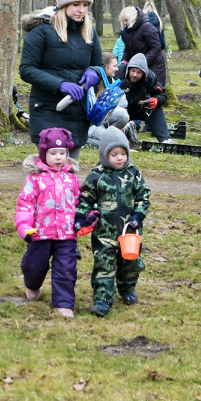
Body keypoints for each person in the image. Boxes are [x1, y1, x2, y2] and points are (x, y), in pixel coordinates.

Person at [19, 0, 103, 157]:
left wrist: (94, 71)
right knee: (50, 172)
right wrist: (60, 85)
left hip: (77, 111)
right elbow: (26, 69)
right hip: (48, 109)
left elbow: (99, 64)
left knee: (71, 172)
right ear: (63, 4)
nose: (81, 10)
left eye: (85, 5)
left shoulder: (89, 32)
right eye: (76, 4)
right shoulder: (41, 30)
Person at [74, 126, 151, 317]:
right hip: (104, 232)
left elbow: (144, 197)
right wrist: (80, 217)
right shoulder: (97, 175)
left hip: (129, 231)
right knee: (104, 264)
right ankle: (102, 299)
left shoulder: (134, 173)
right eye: (114, 154)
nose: (119, 158)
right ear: (104, 154)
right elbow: (85, 198)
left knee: (130, 262)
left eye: (123, 153)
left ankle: (127, 287)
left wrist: (138, 216)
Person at [15, 127, 81, 318]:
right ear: (44, 154)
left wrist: (86, 217)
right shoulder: (35, 179)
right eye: (53, 153)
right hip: (40, 232)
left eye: (63, 153)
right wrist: (24, 227)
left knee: (66, 269)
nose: (59, 157)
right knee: (34, 265)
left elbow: (79, 202)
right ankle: (32, 284)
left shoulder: (71, 178)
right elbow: (25, 204)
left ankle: (63, 303)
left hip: (66, 234)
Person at [122, 53, 170, 142]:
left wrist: (157, 100)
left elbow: (163, 94)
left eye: (139, 72)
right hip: (120, 110)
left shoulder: (150, 77)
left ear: (144, 73)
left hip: (138, 107)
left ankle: (165, 139)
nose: (135, 75)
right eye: (133, 71)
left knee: (156, 108)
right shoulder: (118, 73)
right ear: (128, 69)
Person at [119, 4, 167, 86]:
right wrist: (124, 61)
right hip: (137, 67)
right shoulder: (128, 30)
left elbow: (156, 47)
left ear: (132, 18)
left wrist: (142, 62)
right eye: (123, 21)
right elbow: (128, 48)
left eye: (126, 20)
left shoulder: (147, 27)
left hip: (154, 66)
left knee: (153, 90)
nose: (125, 23)